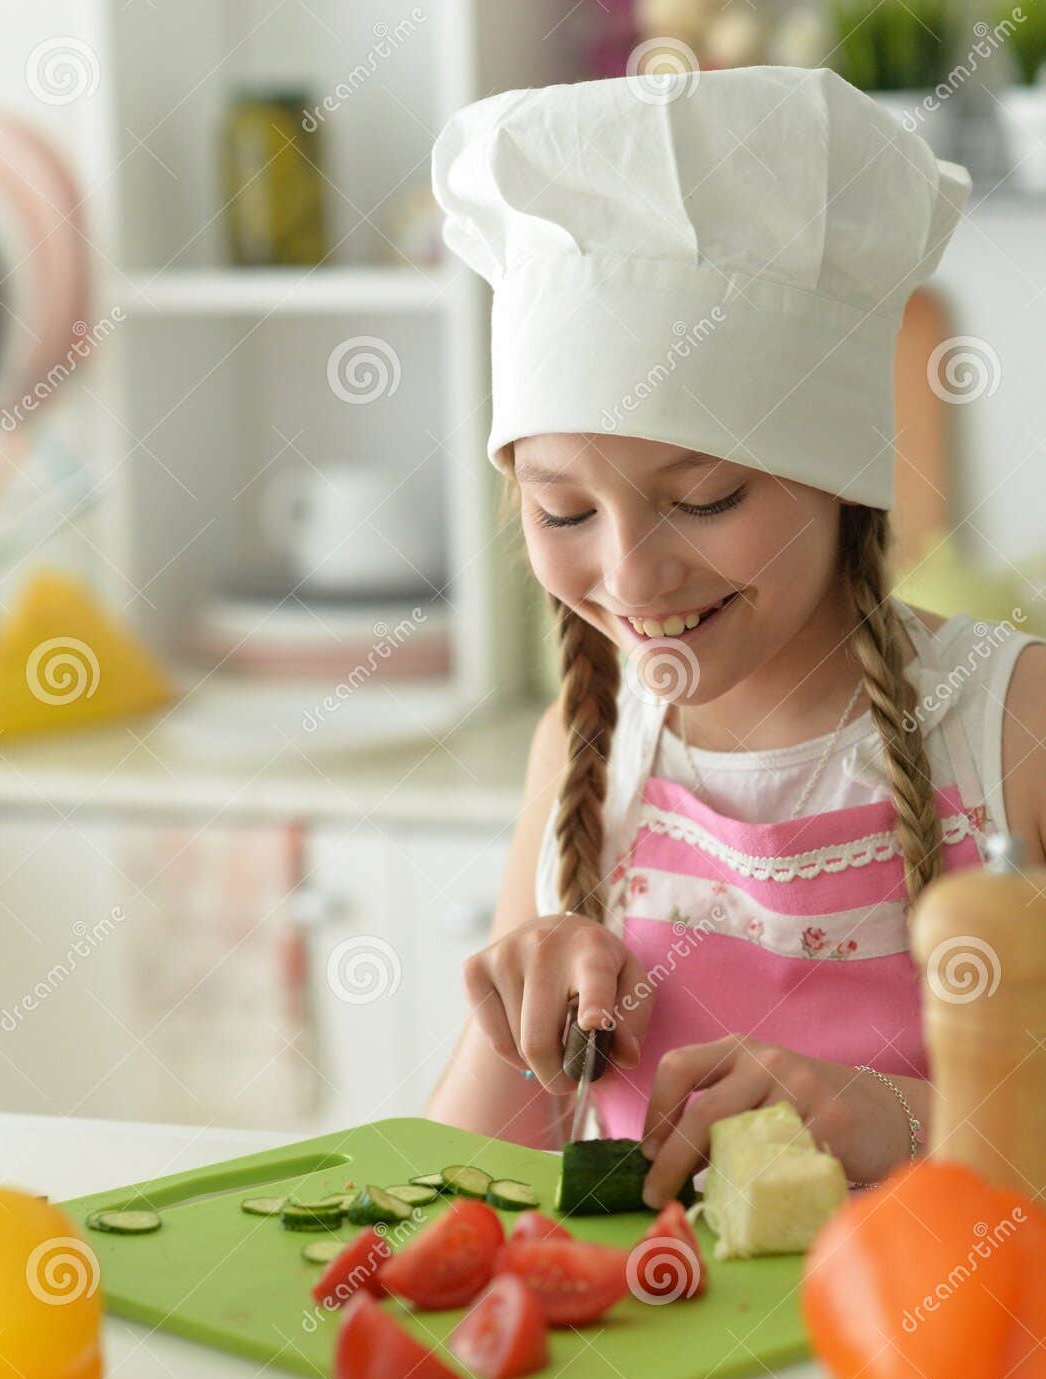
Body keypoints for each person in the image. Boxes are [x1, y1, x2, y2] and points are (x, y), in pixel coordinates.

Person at [424, 66, 1046, 1204]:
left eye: (704, 499)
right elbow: (459, 1189)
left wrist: (899, 1120)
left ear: (843, 481)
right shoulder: (588, 742)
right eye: (563, 509)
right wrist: (510, 1025)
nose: (629, 573)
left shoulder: (1015, 728)